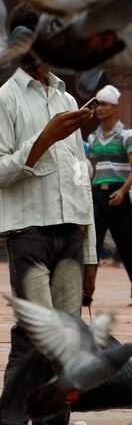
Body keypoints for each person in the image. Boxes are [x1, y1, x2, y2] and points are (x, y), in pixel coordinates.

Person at [0, 6, 96, 425]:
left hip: (69, 229)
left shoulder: (67, 101)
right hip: (28, 230)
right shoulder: (2, 102)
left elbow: (78, 179)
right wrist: (42, 140)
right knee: (33, 333)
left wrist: (89, 254)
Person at [86, 85, 132, 296]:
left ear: (114, 107)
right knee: (92, 246)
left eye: (104, 104)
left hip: (118, 194)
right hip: (98, 194)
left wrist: (123, 191)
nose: (99, 109)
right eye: (97, 105)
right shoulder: (93, 138)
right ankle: (87, 291)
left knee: (126, 245)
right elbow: (92, 166)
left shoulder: (126, 136)